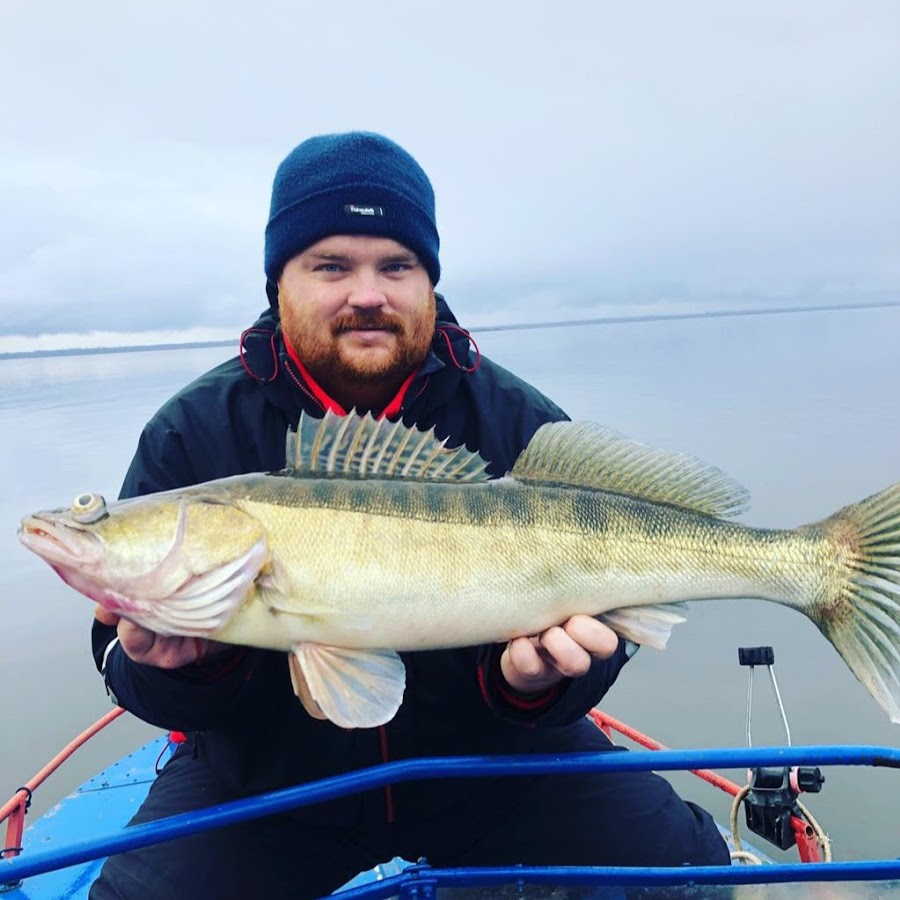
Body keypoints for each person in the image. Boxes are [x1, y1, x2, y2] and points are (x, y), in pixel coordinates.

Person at [89, 131, 730, 899]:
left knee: (687, 878)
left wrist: (537, 686)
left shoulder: (520, 422)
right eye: (330, 265)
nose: (368, 293)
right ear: (278, 284)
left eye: (396, 265)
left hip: (493, 767)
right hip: (263, 786)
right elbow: (124, 669)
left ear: (428, 281)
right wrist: (186, 667)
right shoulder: (192, 434)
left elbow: (607, 625)